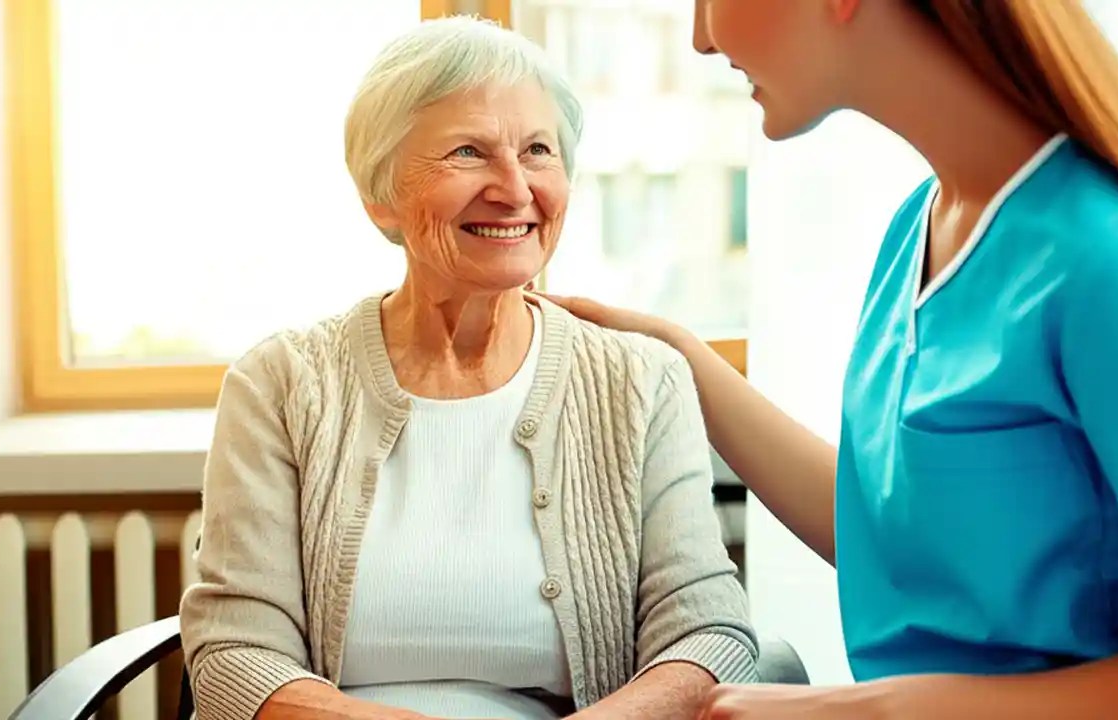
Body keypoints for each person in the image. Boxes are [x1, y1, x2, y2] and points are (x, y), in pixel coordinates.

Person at [548, 1, 1118, 718]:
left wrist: (870, 709)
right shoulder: (919, 228)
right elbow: (907, 537)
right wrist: (682, 360)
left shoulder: (1111, 265)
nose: (701, 38)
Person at [178, 16, 761, 720]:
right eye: (468, 152)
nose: (515, 189)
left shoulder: (641, 382)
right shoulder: (279, 384)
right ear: (379, 194)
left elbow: (709, 634)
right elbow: (236, 658)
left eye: (539, 151)